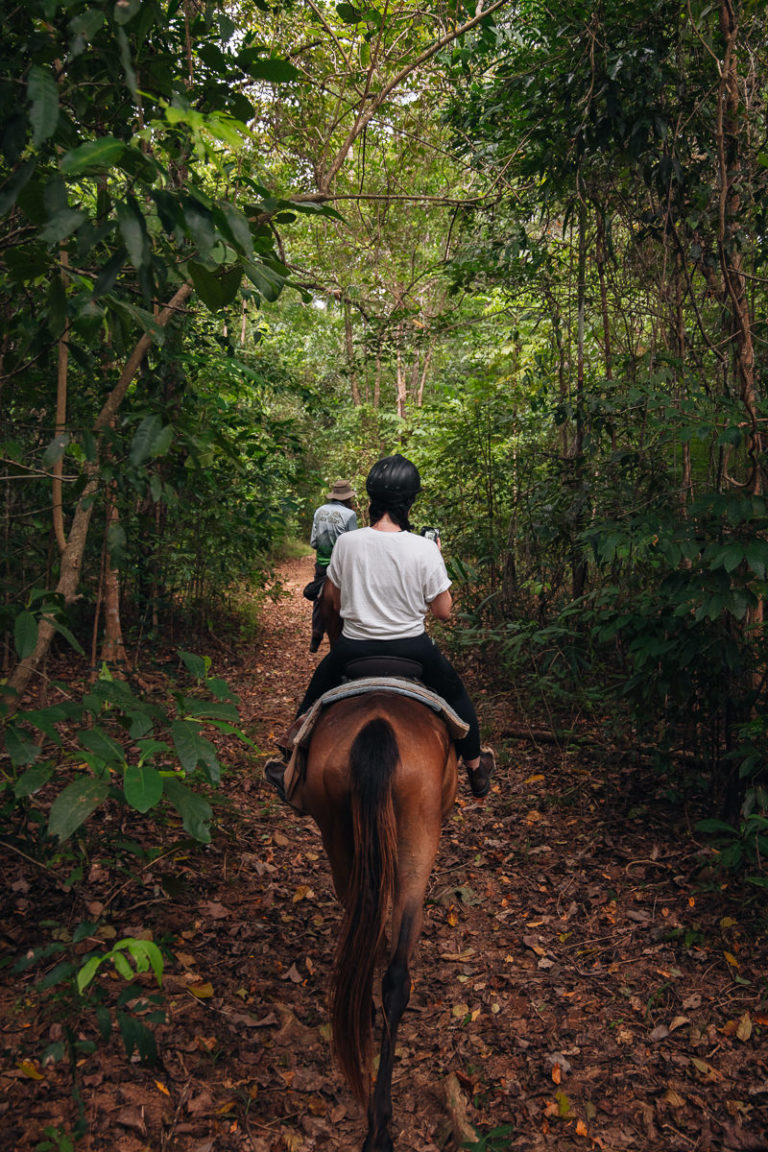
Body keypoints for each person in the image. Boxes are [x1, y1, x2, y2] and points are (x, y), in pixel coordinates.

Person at [268, 453, 495, 799]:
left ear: (371, 500)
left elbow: (337, 603)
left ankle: (289, 765)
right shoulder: (423, 548)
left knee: (316, 691)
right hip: (413, 649)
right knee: (455, 694)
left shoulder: (348, 542)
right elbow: (444, 612)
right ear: (409, 502)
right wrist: (436, 555)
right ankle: (476, 769)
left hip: (353, 649)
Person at [306, 479, 357, 652]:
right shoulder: (350, 515)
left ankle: (316, 633)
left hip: (322, 564)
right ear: (347, 499)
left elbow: (313, 542)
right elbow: (353, 543)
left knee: (320, 596)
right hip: (341, 566)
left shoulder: (319, 511)